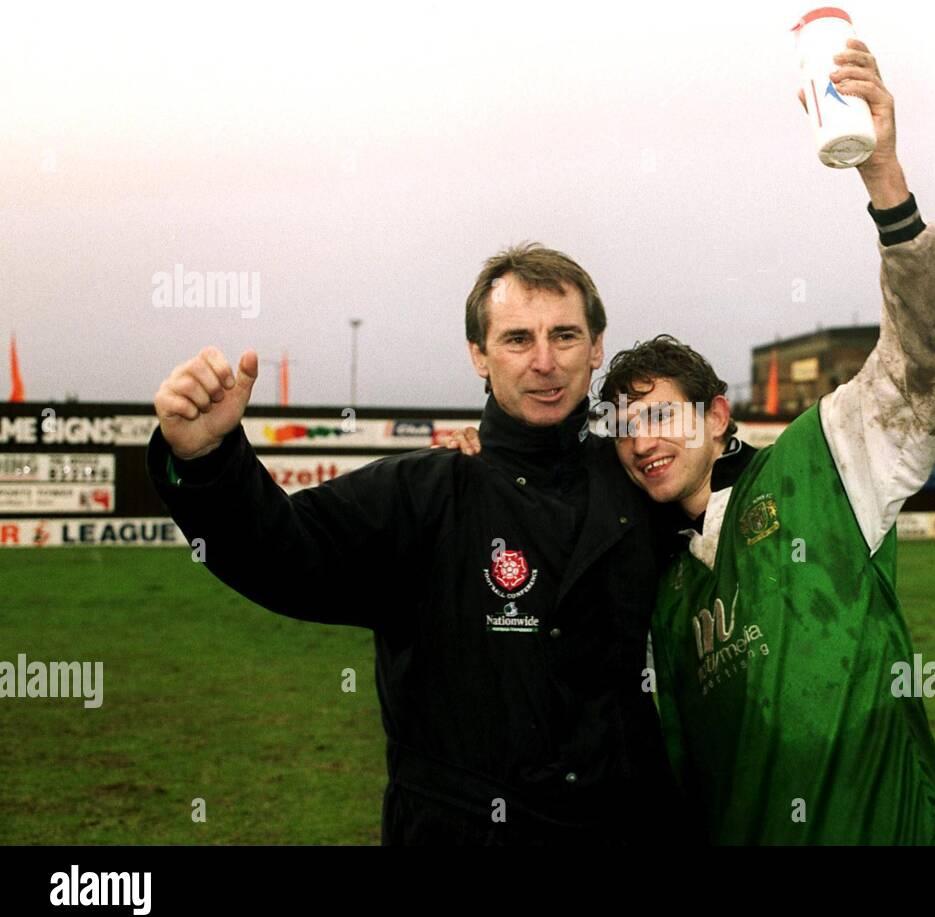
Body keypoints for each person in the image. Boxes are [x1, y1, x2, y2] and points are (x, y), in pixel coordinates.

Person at [444, 37, 935, 843]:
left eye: (663, 415)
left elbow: (923, 363)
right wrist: (486, 461)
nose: (643, 441)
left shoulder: (821, 468)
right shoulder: (660, 581)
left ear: (718, 416)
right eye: (625, 425)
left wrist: (883, 175)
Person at [148, 245, 688, 845]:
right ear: (478, 356)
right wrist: (205, 461)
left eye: (564, 336)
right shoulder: (421, 495)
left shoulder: (644, 485)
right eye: (516, 340)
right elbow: (282, 550)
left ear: (596, 348)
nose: (544, 362)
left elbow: (756, 501)